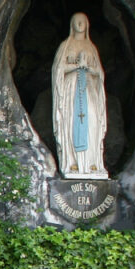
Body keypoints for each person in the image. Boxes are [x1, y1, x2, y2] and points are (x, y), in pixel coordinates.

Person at [51, 12, 108, 179]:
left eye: (83, 20)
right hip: (71, 90)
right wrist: (76, 66)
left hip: (89, 89)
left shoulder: (91, 47)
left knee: (92, 122)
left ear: (88, 24)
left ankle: (92, 163)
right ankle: (73, 163)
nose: (80, 23)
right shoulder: (65, 46)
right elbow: (58, 70)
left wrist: (88, 68)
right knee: (70, 122)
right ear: (72, 24)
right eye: (77, 20)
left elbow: (100, 73)